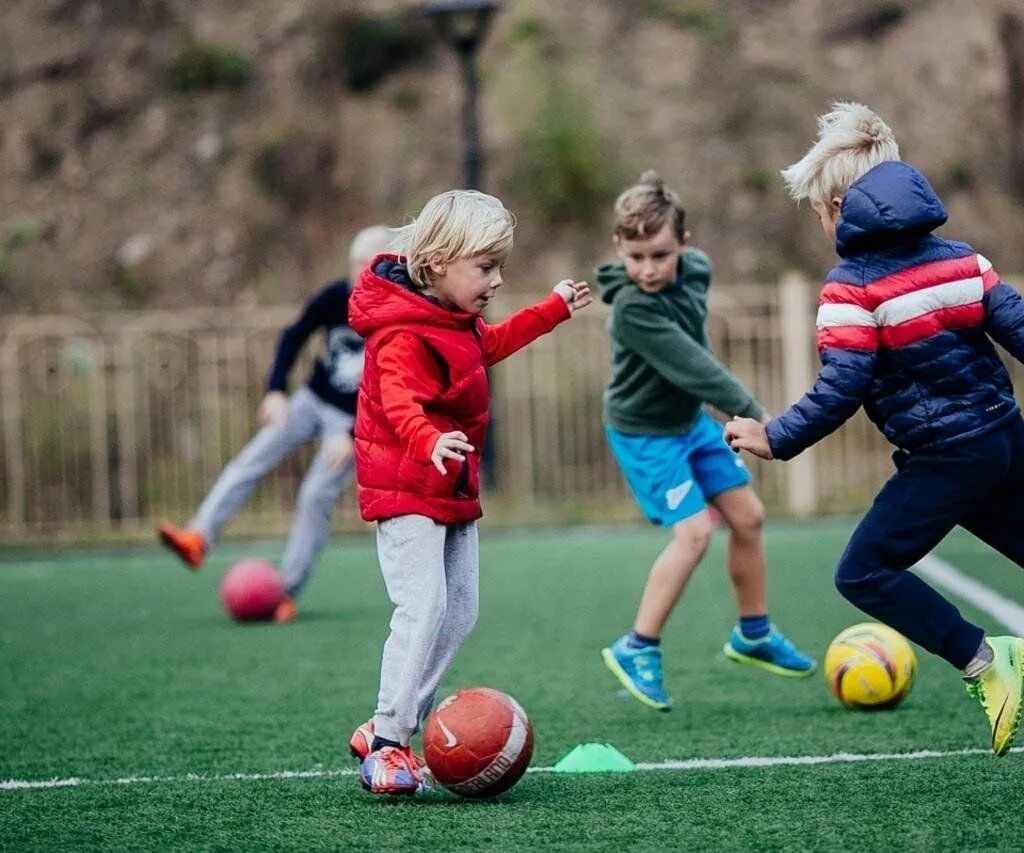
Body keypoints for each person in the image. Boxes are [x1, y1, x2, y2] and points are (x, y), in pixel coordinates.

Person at [725, 102, 1024, 755]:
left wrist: (774, 435)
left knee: (863, 571)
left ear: (841, 205)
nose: (820, 221)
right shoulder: (961, 260)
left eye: (817, 208)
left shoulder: (852, 288)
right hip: (1004, 440)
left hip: (946, 456)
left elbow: (843, 385)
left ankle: (984, 660)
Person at [344, 190, 591, 795]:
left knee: (461, 610)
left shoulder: (455, 322)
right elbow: (399, 399)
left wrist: (553, 309)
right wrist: (427, 440)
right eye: (485, 268)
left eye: (499, 266)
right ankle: (387, 745)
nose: (497, 280)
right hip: (405, 486)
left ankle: (388, 721)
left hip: (448, 486)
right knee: (422, 606)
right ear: (436, 265)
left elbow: (492, 345)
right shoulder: (402, 331)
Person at [597, 171, 815, 713]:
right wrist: (762, 417)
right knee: (694, 534)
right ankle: (637, 646)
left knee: (749, 517)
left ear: (685, 247)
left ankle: (754, 633)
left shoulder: (696, 271)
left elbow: (695, 333)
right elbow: (695, 367)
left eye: (660, 255)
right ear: (619, 248)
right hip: (645, 433)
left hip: (689, 423)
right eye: (636, 256)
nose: (648, 269)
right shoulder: (632, 311)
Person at [157, 225, 395, 622]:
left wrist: (355, 434)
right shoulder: (336, 297)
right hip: (313, 399)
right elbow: (294, 335)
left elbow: (395, 385)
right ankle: (198, 536)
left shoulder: (400, 315)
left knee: (315, 496)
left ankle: (286, 590)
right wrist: (275, 390)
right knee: (254, 457)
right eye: (357, 265)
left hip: (355, 418)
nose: (361, 274)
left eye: (372, 265)